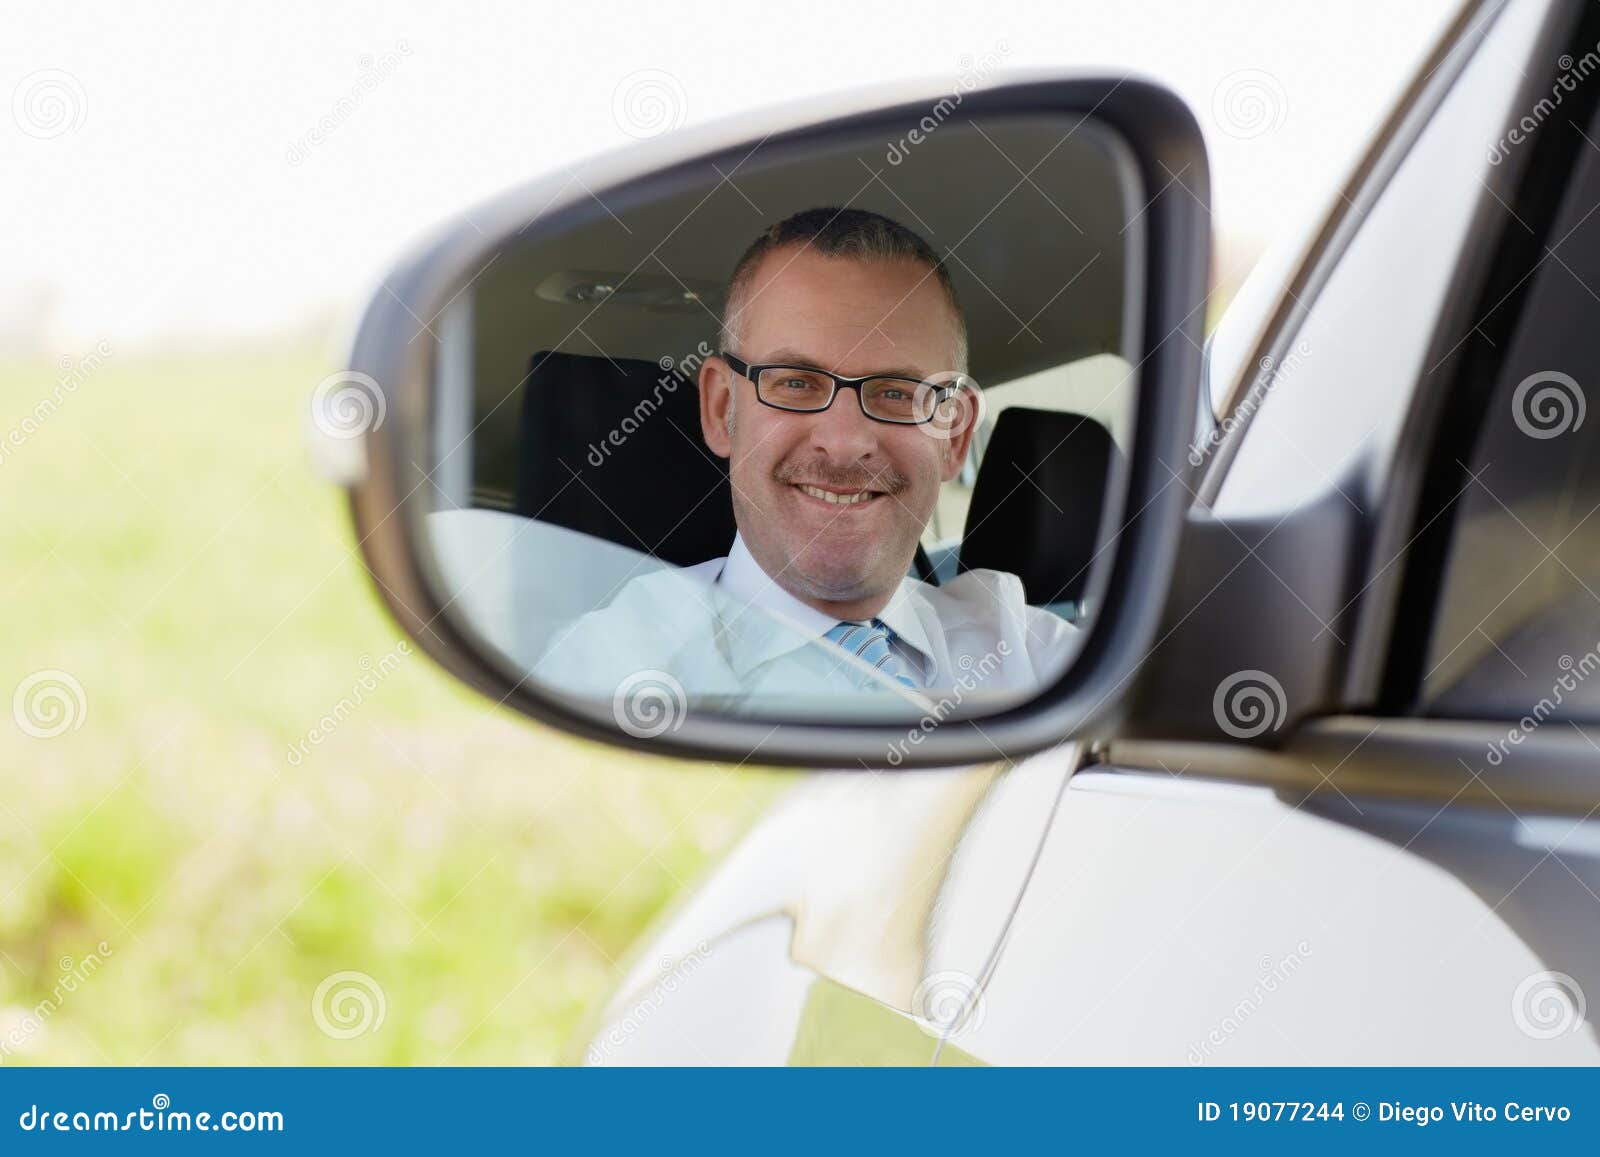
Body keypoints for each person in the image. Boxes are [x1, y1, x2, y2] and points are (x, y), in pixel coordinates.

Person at [534, 208, 1077, 713]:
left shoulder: (1043, 662)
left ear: (954, 435)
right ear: (723, 409)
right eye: (795, 383)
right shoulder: (602, 675)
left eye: (895, 390)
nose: (843, 441)